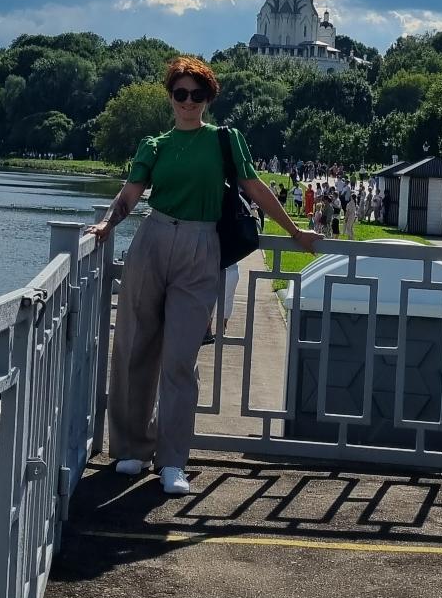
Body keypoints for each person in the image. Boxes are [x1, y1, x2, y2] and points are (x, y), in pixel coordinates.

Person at [94, 57, 317, 497]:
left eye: (197, 94)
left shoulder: (224, 140)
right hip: (152, 240)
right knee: (135, 346)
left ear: (209, 98)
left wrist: (293, 231)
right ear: (170, 97)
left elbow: (254, 187)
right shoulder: (153, 145)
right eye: (180, 93)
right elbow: (130, 196)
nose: (188, 102)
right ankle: (132, 447)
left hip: (200, 249)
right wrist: (106, 225)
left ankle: (173, 460)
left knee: (181, 358)